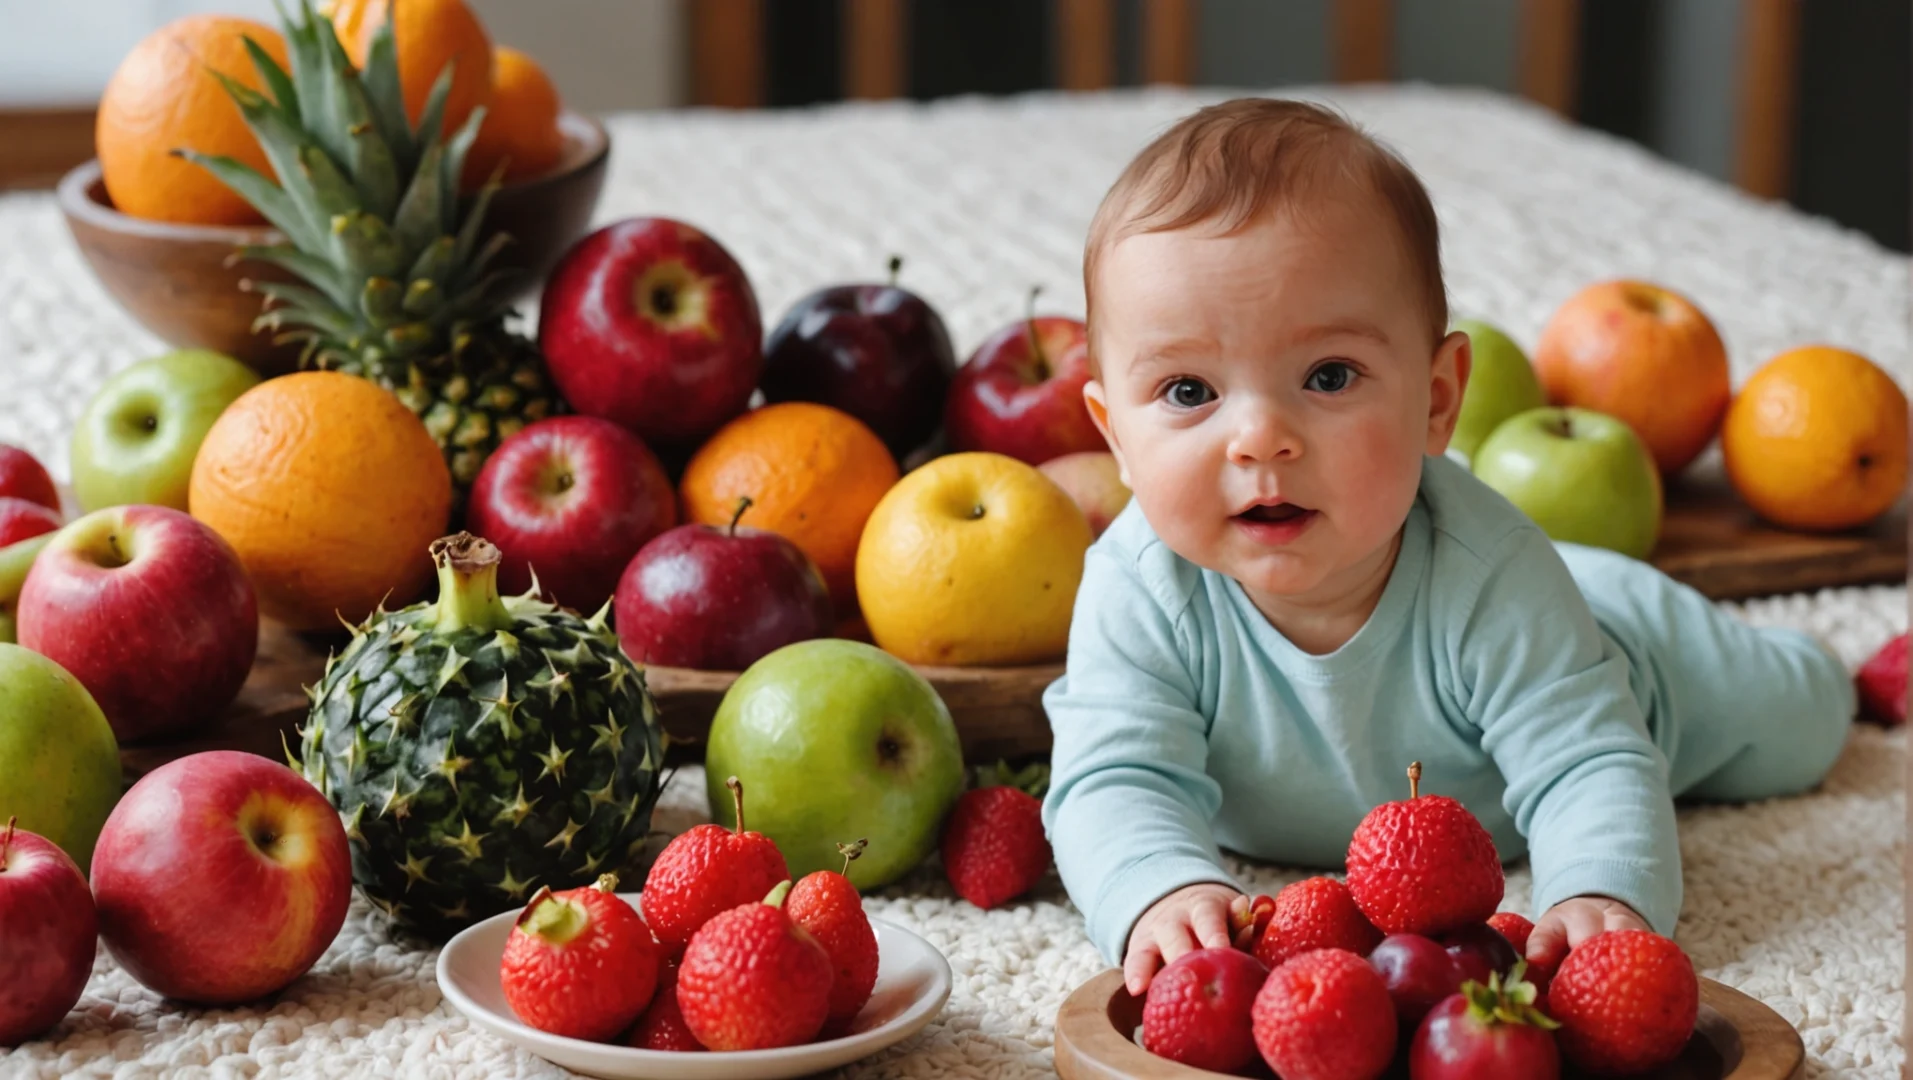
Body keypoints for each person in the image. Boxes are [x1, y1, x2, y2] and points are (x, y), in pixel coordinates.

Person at [1040, 96, 1855, 997]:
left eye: (1327, 376)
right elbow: (1110, 778)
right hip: (1528, 610)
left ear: (1436, 401)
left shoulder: (1493, 574)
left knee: (1804, 725)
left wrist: (1598, 894)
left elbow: (1589, 762)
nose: (1260, 438)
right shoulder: (1135, 584)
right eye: (1189, 389)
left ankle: (1834, 664)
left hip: (1639, 661)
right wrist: (1161, 887)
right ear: (1114, 436)